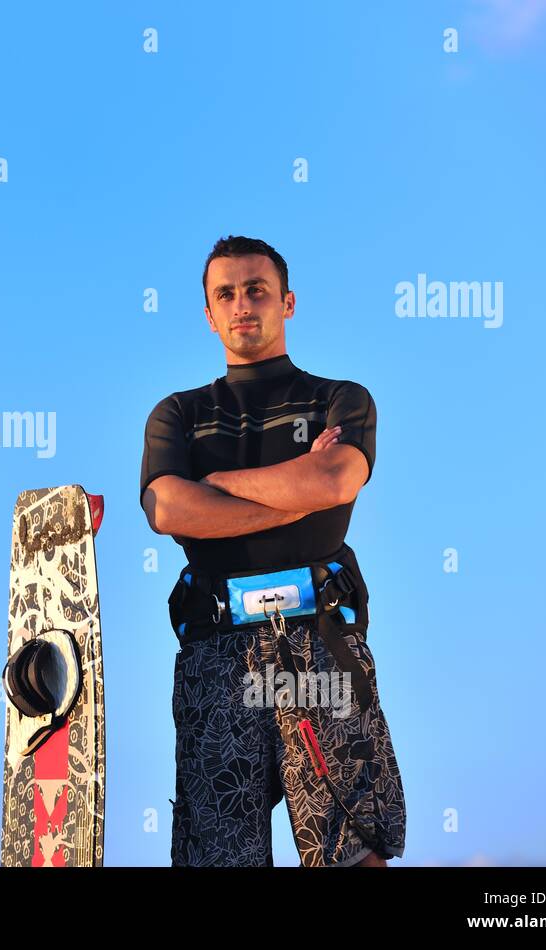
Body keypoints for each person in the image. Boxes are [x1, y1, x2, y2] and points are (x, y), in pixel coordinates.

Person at [139, 235, 406, 867]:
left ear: (286, 302)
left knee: (353, 848)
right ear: (209, 314)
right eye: (225, 294)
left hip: (319, 640)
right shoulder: (178, 414)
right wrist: (300, 490)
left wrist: (216, 487)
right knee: (217, 858)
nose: (242, 305)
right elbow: (167, 509)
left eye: (256, 290)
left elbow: (337, 478)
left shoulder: (338, 400)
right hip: (217, 651)